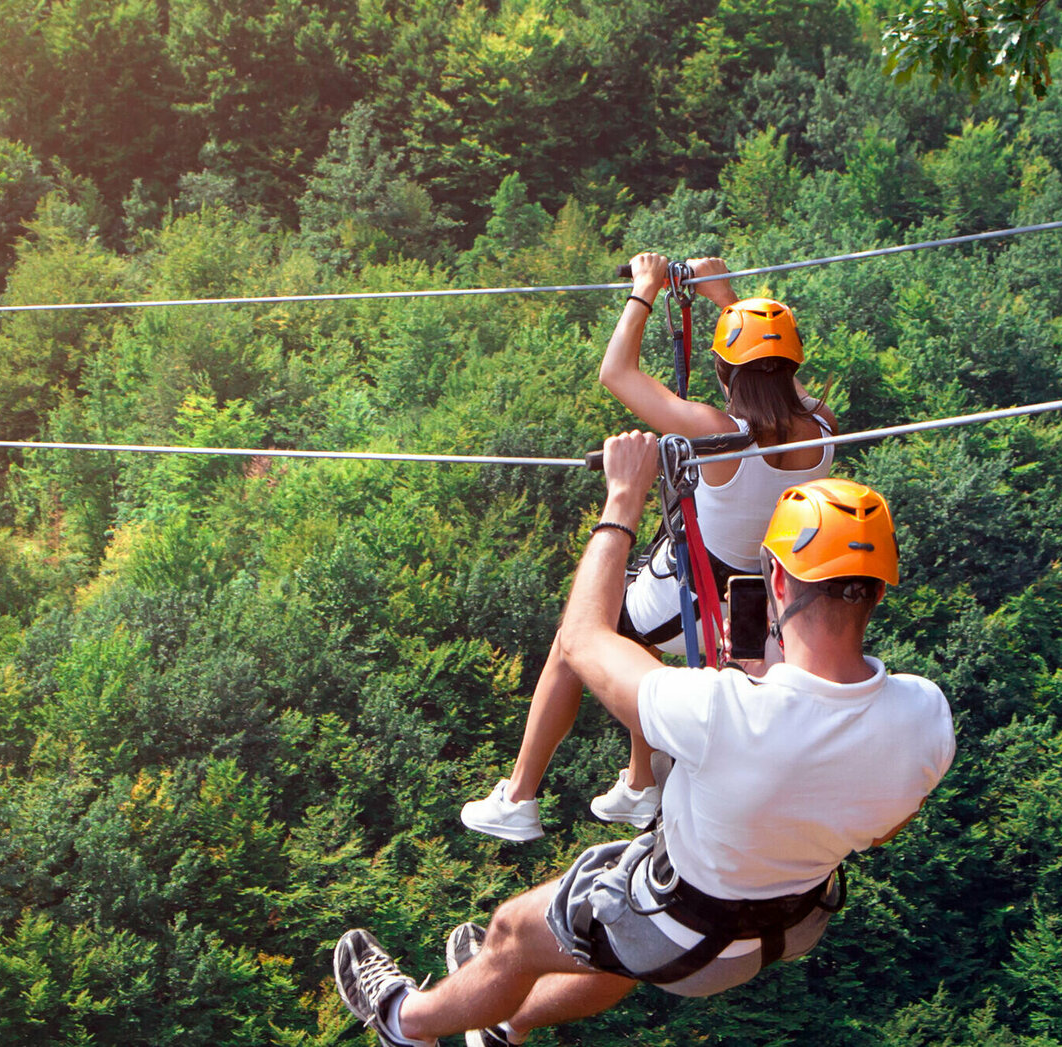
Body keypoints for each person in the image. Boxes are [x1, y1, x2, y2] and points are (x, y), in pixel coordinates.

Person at [336, 435, 954, 1047]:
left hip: (681, 929)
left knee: (511, 934)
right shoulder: (926, 715)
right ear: (876, 589)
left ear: (778, 581)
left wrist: (623, 499)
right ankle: (505, 1021)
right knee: (614, 946)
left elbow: (580, 640)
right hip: (786, 927)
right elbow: (881, 827)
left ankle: (404, 1024)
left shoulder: (719, 710)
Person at [462, 254, 841, 841]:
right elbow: (778, 379)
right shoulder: (823, 429)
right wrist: (726, 300)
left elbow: (616, 373)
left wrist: (644, 289)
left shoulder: (716, 433)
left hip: (694, 595)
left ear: (723, 369)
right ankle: (641, 784)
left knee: (575, 639)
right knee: (639, 644)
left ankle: (518, 797)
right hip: (755, 605)